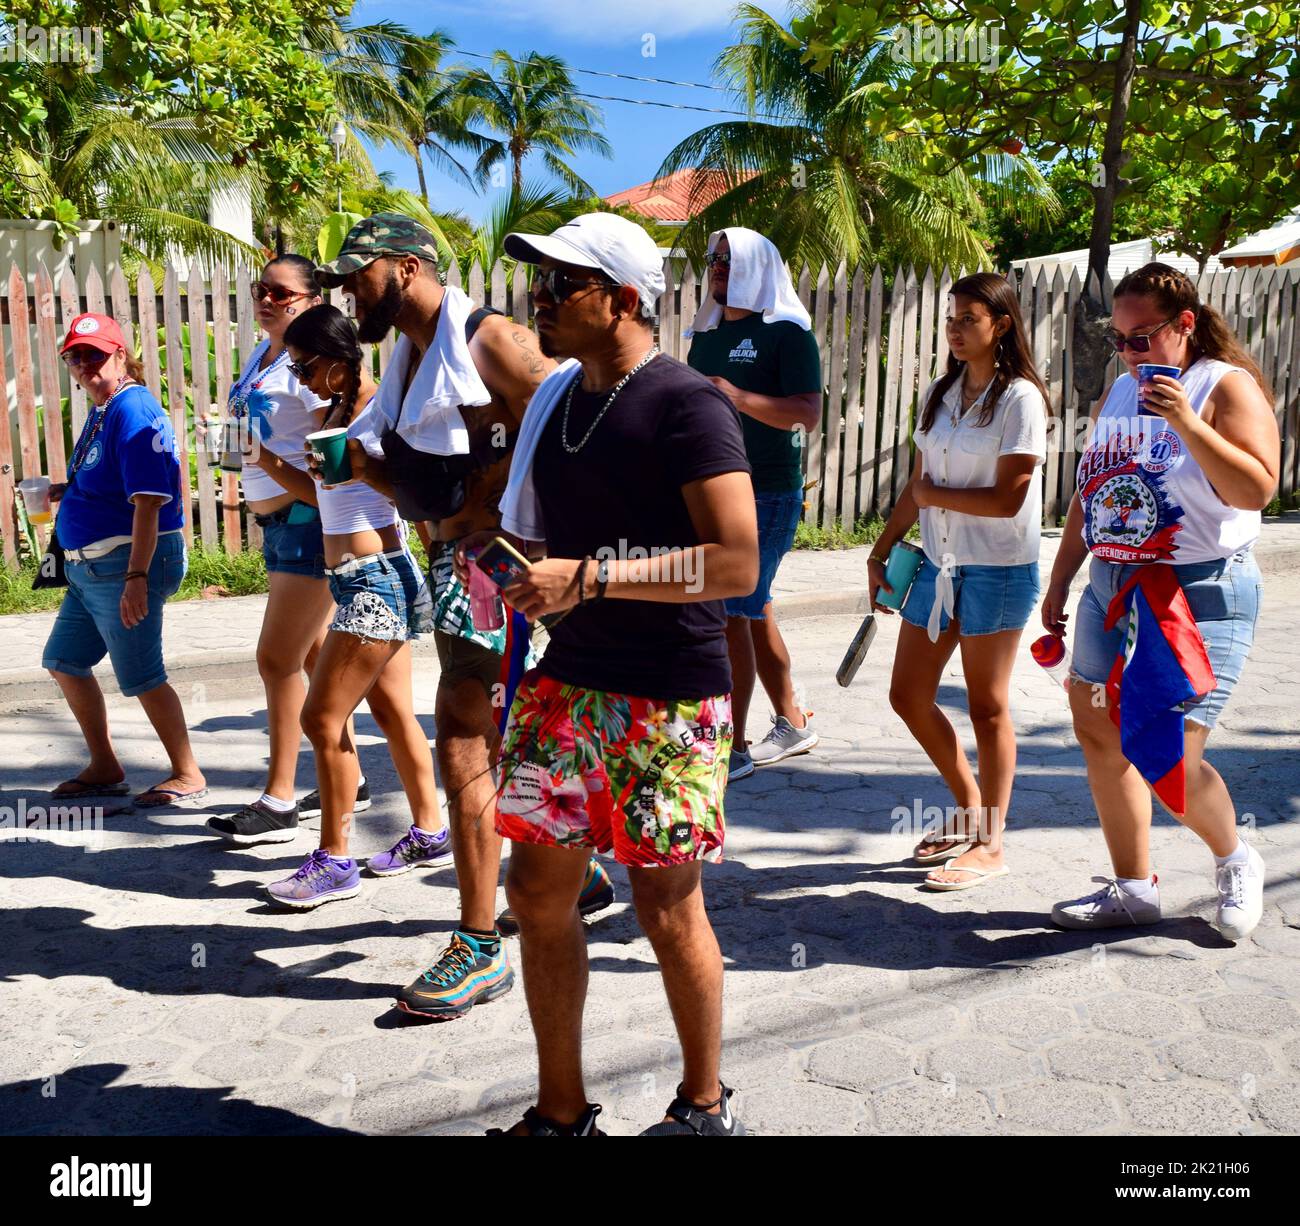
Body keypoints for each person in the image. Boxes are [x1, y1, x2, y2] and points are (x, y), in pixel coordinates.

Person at [479, 212, 758, 1136]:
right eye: (541, 283)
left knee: (665, 904)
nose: (541, 302)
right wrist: (512, 569)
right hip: (571, 679)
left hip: (668, 692)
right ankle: (562, 1113)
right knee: (535, 894)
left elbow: (735, 564)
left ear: (623, 299)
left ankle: (703, 1106)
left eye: (563, 285)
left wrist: (594, 576)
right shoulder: (562, 401)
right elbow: (552, 538)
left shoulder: (688, 402)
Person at [315, 214, 613, 1016]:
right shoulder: (409, 358)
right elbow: (429, 488)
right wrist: (368, 467)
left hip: (501, 563)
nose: (350, 289)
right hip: (461, 561)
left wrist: (506, 507)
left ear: (407, 268)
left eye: (360, 272)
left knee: (464, 735)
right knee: (512, 724)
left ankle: (479, 945)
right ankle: (573, 867)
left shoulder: (490, 341)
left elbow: (574, 413)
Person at [1042, 263, 1277, 940]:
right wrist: (1061, 578)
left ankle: (1236, 860)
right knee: (1098, 733)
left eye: (1142, 338)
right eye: (1119, 340)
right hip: (1111, 588)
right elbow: (1094, 492)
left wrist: (1187, 421)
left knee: (1169, 750)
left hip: (1197, 590)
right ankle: (1132, 888)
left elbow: (1255, 489)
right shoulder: (1116, 393)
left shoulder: (1224, 386)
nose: (1129, 353)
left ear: (1185, 324)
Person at [222, 304, 446, 905]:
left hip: (378, 576)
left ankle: (335, 859)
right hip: (351, 577)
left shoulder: (384, 412)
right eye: (293, 368)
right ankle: (430, 829)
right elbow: (323, 499)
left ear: (343, 359)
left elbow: (415, 494)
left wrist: (363, 467)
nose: (299, 379)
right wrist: (266, 461)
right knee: (396, 711)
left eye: (306, 366)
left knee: (322, 718)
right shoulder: (331, 413)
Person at [870, 273, 1049, 890]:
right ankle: (970, 806)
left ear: (1001, 325)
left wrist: (929, 493)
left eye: (968, 318)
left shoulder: (1022, 399)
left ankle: (992, 843)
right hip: (939, 565)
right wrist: (884, 546)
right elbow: (916, 486)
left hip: (998, 570)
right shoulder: (941, 394)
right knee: (908, 694)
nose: (954, 329)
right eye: (951, 318)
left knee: (987, 707)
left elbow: (1007, 501)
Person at [204, 257, 373, 843]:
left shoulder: (315, 367)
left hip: (306, 520)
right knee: (313, 661)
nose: (267, 299)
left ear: (310, 300)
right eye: (260, 289)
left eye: (280, 292)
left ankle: (279, 798)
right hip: (278, 524)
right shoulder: (262, 354)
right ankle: (348, 776)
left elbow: (334, 446)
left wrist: (263, 457)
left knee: (277, 659)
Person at [42, 312, 205, 807]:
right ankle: (105, 766)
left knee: (141, 675)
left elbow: (151, 500)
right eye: (75, 356)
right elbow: (113, 480)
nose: (84, 364)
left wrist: (137, 575)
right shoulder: (105, 407)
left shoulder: (133, 409)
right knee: (65, 662)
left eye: (94, 353)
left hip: (123, 565)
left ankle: (188, 773)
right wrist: (67, 491)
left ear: (119, 353)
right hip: (89, 568)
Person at [686, 228, 823, 781]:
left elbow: (806, 414)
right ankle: (792, 720)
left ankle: (732, 746)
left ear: (755, 266)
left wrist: (738, 397)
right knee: (754, 607)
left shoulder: (788, 334)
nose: (717, 268)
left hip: (766, 491)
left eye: (728, 259)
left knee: (730, 613)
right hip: (711, 488)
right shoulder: (706, 334)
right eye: (713, 260)